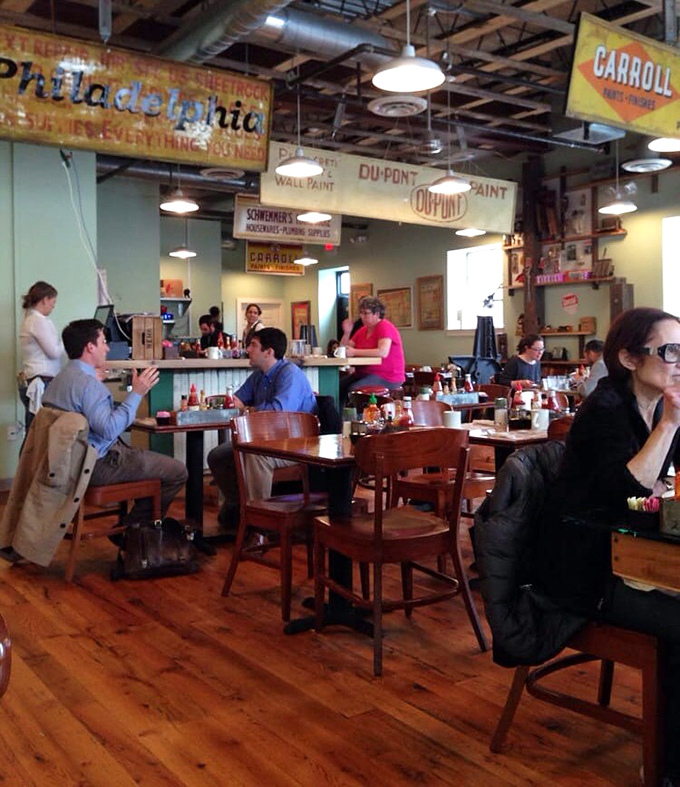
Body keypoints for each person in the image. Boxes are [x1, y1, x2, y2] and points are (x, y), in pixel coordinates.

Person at [536, 307, 680, 785]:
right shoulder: (605, 410)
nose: (679, 361)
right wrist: (669, 428)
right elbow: (629, 490)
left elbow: (666, 484)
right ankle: (666, 766)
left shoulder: (659, 405)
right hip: (585, 570)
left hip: (637, 556)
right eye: (670, 350)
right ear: (629, 357)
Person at [42, 319, 187, 520]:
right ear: (90, 347)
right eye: (103, 342)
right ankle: (134, 533)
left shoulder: (61, 379)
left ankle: (134, 530)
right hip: (94, 465)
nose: (108, 348)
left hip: (66, 464)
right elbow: (110, 430)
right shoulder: (88, 385)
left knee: (149, 463)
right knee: (177, 471)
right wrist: (137, 393)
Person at [207, 327, 317, 531]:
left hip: (296, 444)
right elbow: (237, 401)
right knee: (217, 456)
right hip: (266, 440)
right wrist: (227, 402)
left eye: (253, 345)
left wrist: (248, 409)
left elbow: (278, 413)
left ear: (269, 351)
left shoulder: (290, 374)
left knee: (257, 456)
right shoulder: (259, 376)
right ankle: (243, 507)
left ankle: (261, 525)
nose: (248, 349)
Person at [338, 296, 405, 406]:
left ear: (377, 314)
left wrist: (355, 352)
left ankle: (357, 419)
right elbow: (345, 349)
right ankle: (339, 421)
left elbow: (383, 352)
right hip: (364, 373)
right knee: (338, 387)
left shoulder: (384, 326)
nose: (362, 316)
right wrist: (346, 333)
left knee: (354, 390)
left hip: (387, 376)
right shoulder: (363, 330)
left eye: (366, 313)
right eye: (361, 313)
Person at [18, 281, 64, 434]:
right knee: (37, 436)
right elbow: (53, 352)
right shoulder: (37, 321)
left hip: (35, 379)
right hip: (41, 382)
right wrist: (67, 339)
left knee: (33, 435)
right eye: (53, 302)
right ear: (45, 299)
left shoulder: (31, 319)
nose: (53, 306)